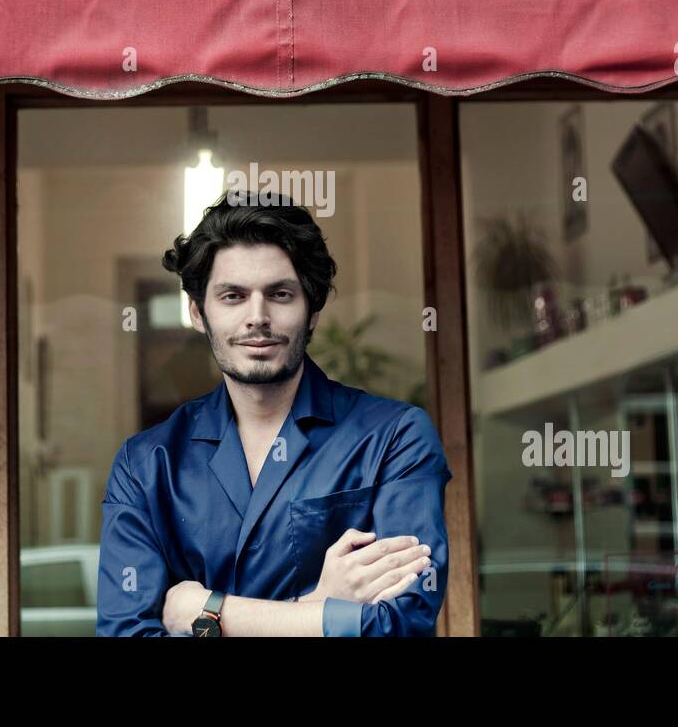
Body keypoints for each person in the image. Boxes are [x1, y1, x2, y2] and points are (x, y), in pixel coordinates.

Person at [96, 190, 452, 636]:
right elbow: (126, 633)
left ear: (313, 310)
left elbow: (403, 622)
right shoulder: (145, 464)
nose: (257, 317)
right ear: (197, 312)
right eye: (233, 296)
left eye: (280, 294)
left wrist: (208, 613)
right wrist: (318, 606)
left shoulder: (394, 437)